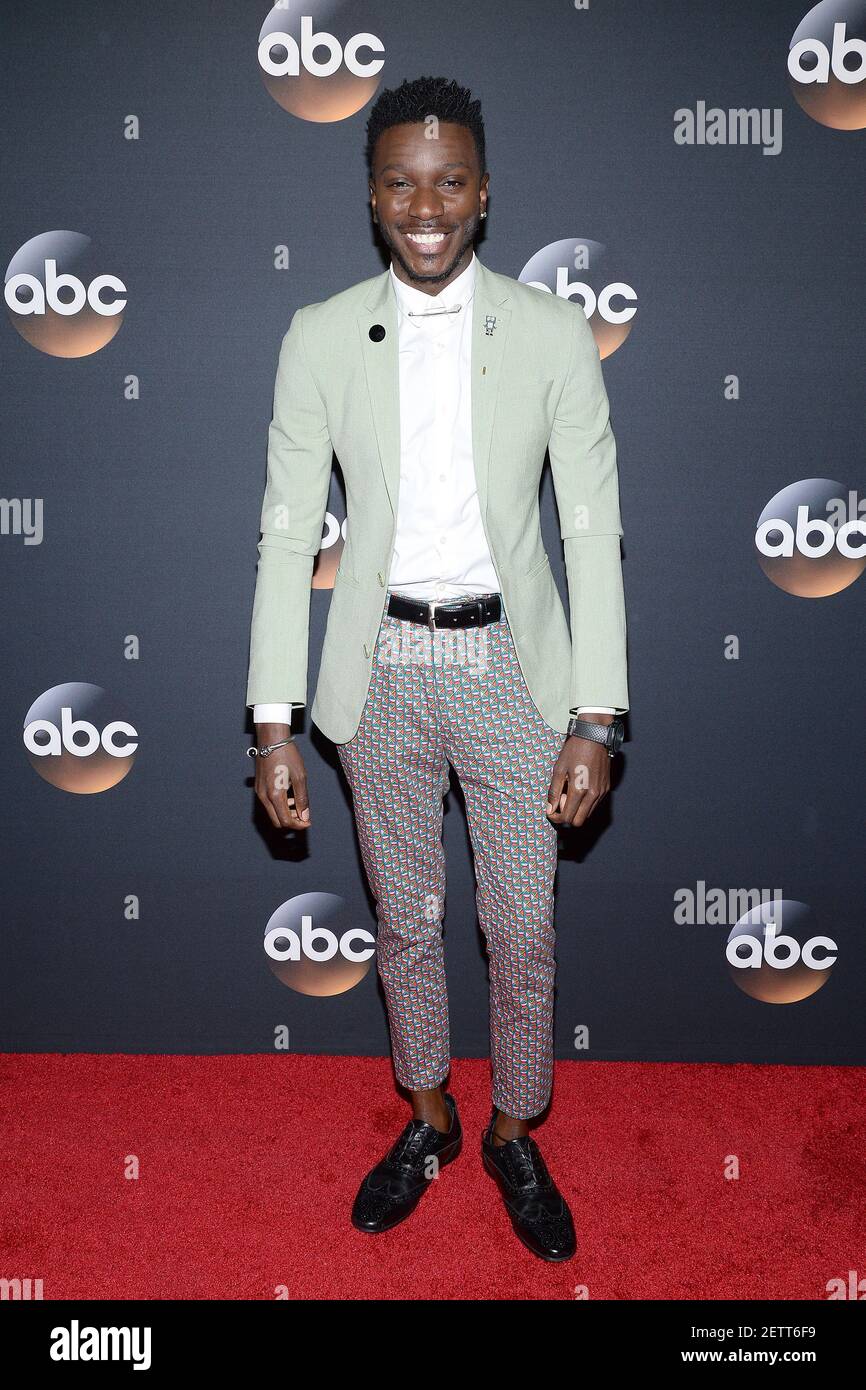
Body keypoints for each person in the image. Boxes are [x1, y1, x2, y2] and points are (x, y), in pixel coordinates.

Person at [246, 75, 629, 1263]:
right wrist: (271, 720)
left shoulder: (553, 332)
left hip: (517, 672)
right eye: (401, 184)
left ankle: (516, 1127)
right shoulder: (317, 334)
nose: (426, 205)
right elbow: (282, 530)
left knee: (520, 930)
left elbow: (588, 533)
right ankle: (426, 1113)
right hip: (379, 673)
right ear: (371, 197)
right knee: (405, 923)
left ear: (483, 194)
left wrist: (596, 715)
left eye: (449, 182)